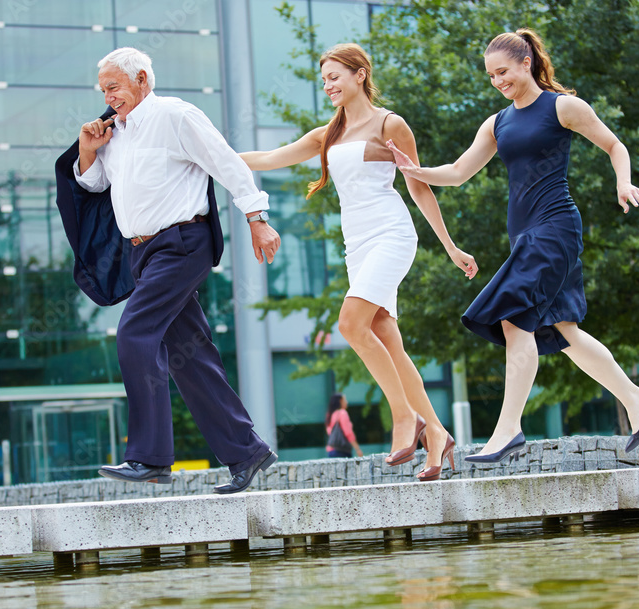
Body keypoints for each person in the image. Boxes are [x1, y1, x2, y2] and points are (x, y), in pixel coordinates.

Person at [387, 29, 639, 463]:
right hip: (526, 236)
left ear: (526, 62)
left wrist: (623, 181)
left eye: (503, 71)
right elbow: (459, 172)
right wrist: (414, 170)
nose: (497, 80)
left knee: (516, 320)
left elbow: (614, 145)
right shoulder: (498, 122)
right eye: (490, 75)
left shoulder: (563, 106)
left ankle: (508, 430)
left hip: (555, 229)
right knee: (564, 331)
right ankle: (634, 397)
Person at [240, 43, 478, 481]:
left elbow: (419, 187)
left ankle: (405, 418)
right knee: (386, 335)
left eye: (334, 77)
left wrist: (449, 246)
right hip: (358, 243)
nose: (328, 85)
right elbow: (270, 159)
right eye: (324, 79)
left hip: (391, 232)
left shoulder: (391, 124)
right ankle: (439, 437)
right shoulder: (327, 134)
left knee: (352, 323)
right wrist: (209, 161)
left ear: (360, 75)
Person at [56, 47, 281, 493]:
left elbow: (227, 163)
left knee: (134, 334)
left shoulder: (176, 116)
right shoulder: (113, 132)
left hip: (181, 244)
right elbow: (95, 184)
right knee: (191, 357)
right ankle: (247, 451)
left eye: (114, 87)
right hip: (144, 253)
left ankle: (150, 458)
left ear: (142, 79)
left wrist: (257, 219)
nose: (108, 96)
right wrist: (87, 152)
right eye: (103, 89)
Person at [324, 393, 365, 458]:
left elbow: (329, 432)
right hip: (342, 451)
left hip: (331, 451)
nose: (347, 402)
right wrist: (357, 449)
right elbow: (348, 433)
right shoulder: (342, 413)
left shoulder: (330, 415)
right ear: (340, 401)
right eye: (345, 400)